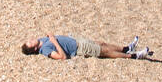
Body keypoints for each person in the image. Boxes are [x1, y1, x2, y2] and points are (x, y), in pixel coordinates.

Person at [22, 33, 151, 61]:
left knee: (102, 44)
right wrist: (54, 41)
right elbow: (62, 57)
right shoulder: (45, 50)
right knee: (104, 51)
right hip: (78, 49)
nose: (31, 40)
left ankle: (125, 48)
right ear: (34, 49)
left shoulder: (41, 40)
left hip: (77, 40)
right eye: (30, 43)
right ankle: (133, 56)